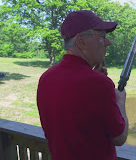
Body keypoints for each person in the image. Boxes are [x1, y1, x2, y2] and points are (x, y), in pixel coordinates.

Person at [37, 10, 128, 160]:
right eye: (102, 37)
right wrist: (120, 101)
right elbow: (119, 137)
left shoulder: (46, 77)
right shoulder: (99, 84)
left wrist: (94, 77)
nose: (108, 42)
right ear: (81, 41)